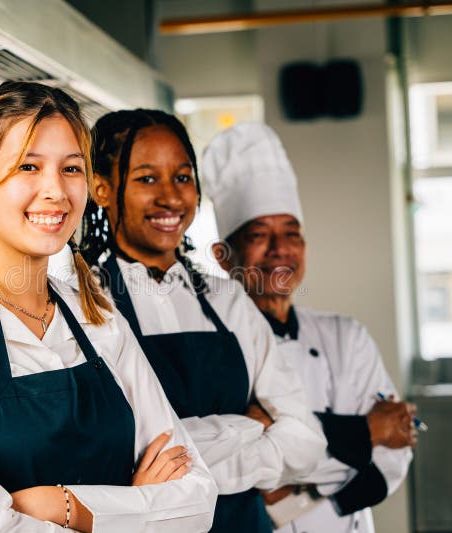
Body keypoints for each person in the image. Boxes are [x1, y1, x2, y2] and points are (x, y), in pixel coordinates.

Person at [0, 82, 217, 533]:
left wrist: (62, 506)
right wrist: (134, 506)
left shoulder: (98, 315)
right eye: (28, 166)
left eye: (71, 169)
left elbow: (197, 501)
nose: (56, 191)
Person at [80, 109, 327, 533]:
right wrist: (245, 428)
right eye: (146, 178)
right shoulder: (86, 305)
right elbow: (106, 458)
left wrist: (180, 461)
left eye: (182, 177)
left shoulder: (228, 299)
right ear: (101, 189)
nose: (172, 198)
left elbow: (307, 442)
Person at [202, 122, 416, 533]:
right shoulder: (212, 347)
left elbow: (394, 453)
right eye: (259, 235)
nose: (279, 248)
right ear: (224, 256)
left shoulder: (346, 336)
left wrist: (300, 488)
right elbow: (227, 455)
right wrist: (366, 432)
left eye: (292, 234)